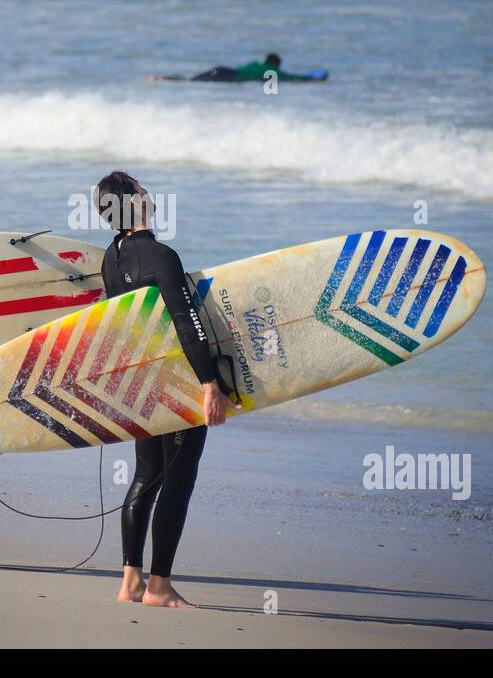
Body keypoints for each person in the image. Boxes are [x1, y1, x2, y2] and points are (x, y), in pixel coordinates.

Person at [94, 170, 236, 608]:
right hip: (176, 385)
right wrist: (210, 382)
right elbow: (187, 322)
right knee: (178, 480)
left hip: (140, 388)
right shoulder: (161, 257)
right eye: (139, 188)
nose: (147, 192)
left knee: (146, 475)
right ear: (131, 204)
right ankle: (158, 587)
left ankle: (130, 581)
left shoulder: (110, 258)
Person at [151, 53, 323, 83]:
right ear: (277, 64)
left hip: (223, 70)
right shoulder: (273, 72)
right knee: (191, 81)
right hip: (228, 78)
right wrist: (313, 79)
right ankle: (163, 79)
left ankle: (163, 78)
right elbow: (293, 78)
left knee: (190, 79)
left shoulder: (257, 64)